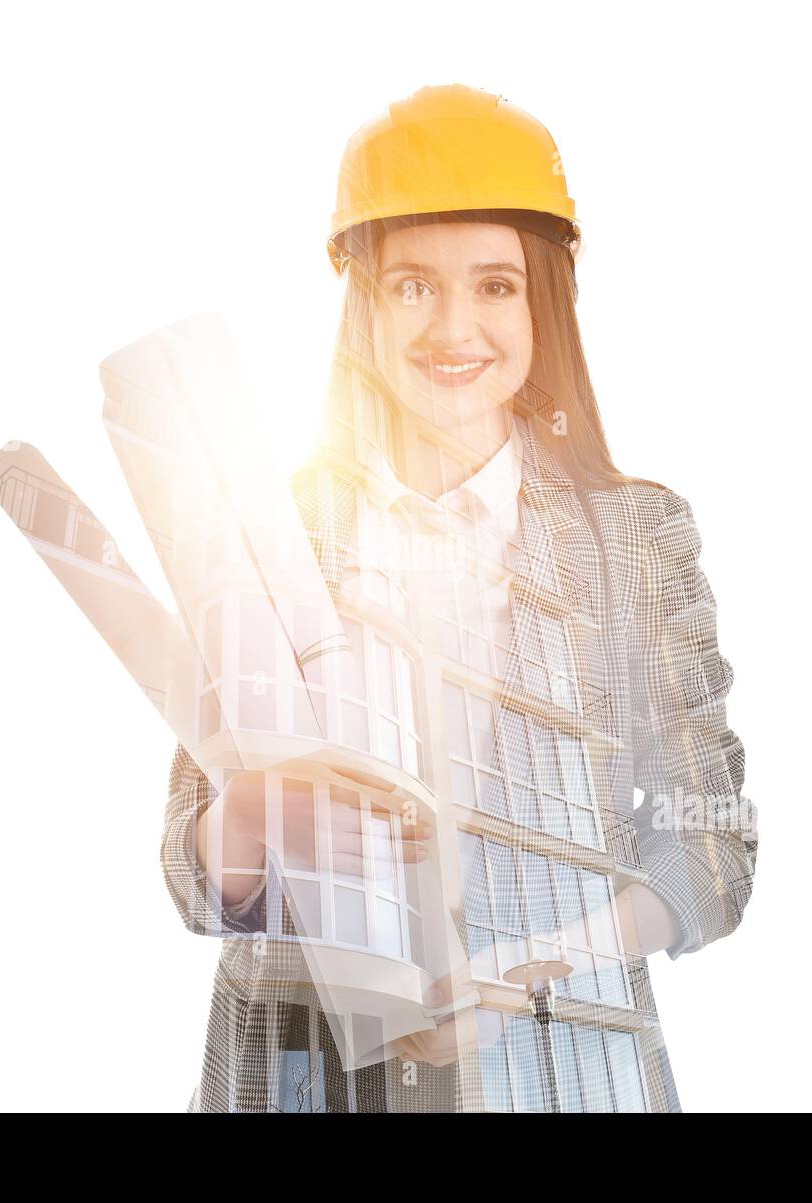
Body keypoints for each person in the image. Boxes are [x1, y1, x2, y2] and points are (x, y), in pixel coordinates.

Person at [162, 83, 758, 1113]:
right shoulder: (267, 535)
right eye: (410, 287)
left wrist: (529, 978)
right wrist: (250, 818)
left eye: (494, 285)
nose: (454, 327)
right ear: (362, 302)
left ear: (544, 302)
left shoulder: (634, 539)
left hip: (563, 1076)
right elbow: (189, 871)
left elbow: (707, 849)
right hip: (309, 1081)